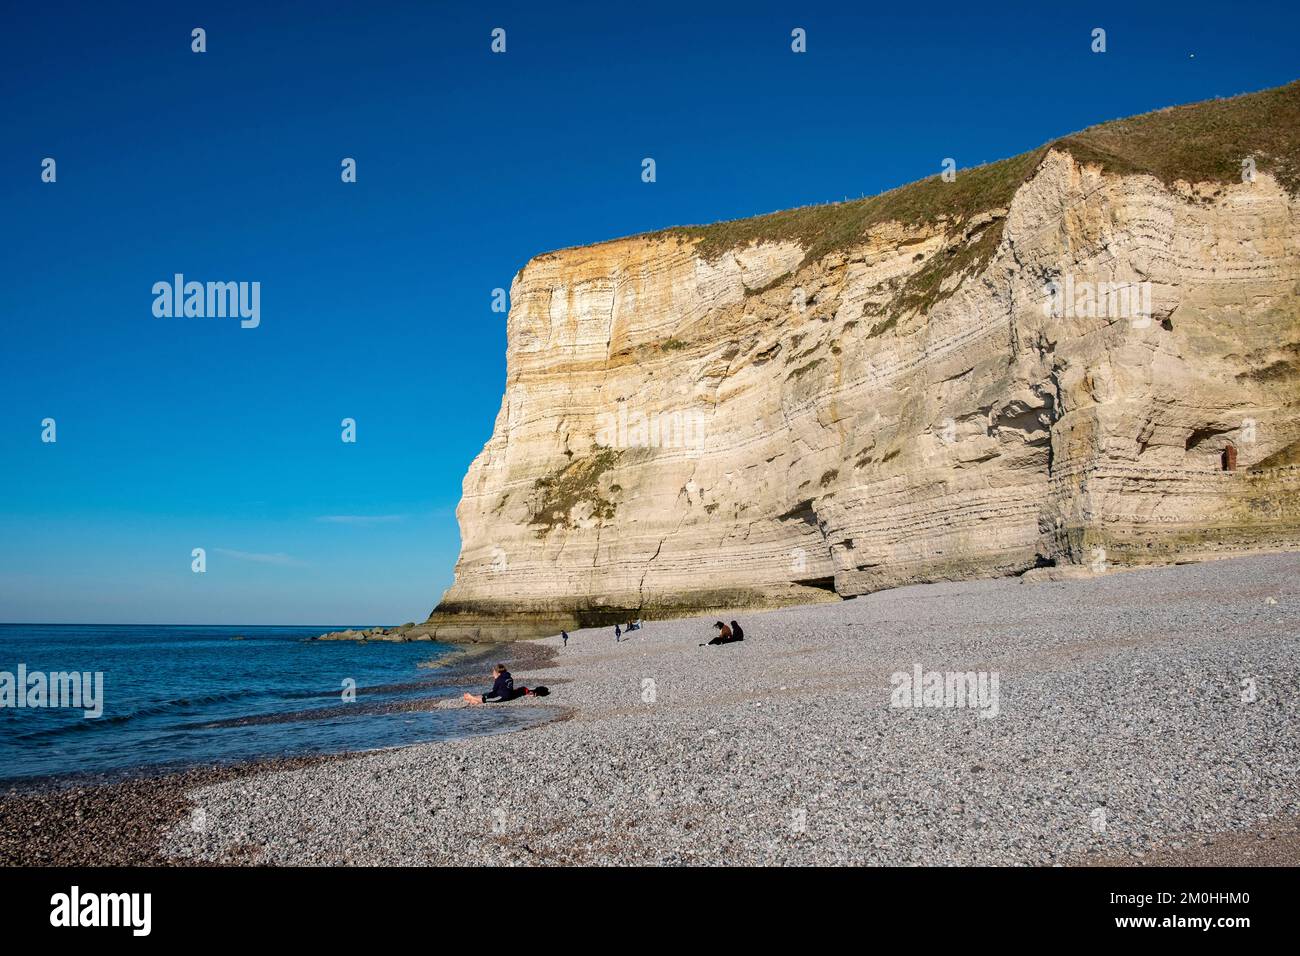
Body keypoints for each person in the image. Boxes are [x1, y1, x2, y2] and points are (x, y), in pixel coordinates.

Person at [463, 663, 535, 705]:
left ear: (498, 673)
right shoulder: (509, 677)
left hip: (503, 697)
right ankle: (475, 699)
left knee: (487, 699)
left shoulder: (499, 679)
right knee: (487, 694)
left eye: (494, 672)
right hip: (508, 693)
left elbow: (494, 690)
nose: (493, 673)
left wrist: (496, 679)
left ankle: (472, 698)